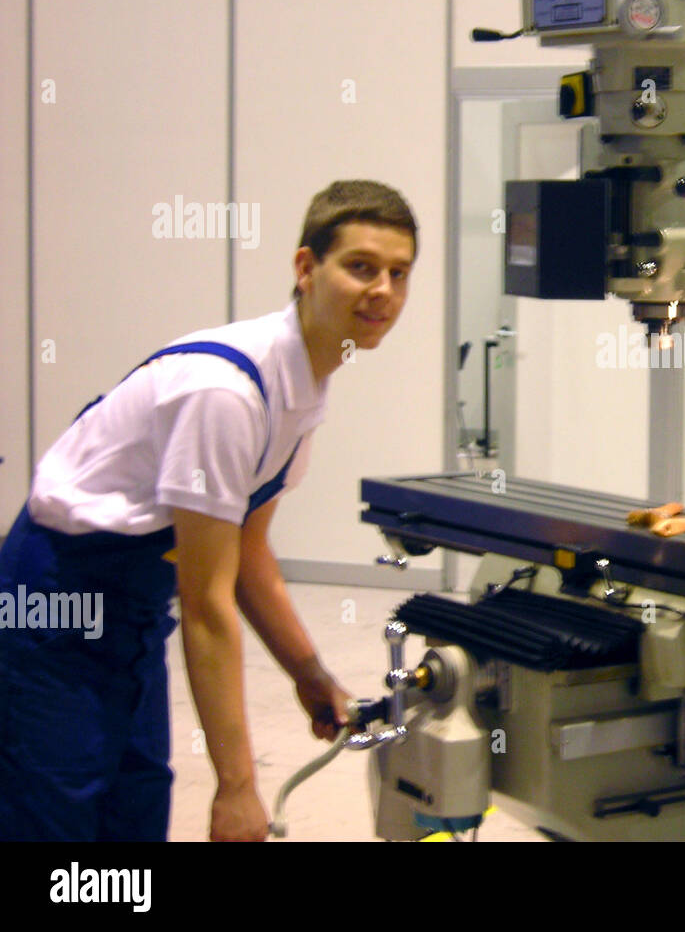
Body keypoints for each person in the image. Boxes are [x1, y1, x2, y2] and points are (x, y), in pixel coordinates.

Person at [0, 179, 417, 842]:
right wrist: (237, 786)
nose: (384, 291)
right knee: (59, 807)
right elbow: (206, 603)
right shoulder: (227, 394)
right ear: (306, 268)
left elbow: (249, 551)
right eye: (361, 266)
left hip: (129, 613)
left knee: (135, 798)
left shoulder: (304, 385)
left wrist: (308, 672)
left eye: (399, 273)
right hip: (53, 601)